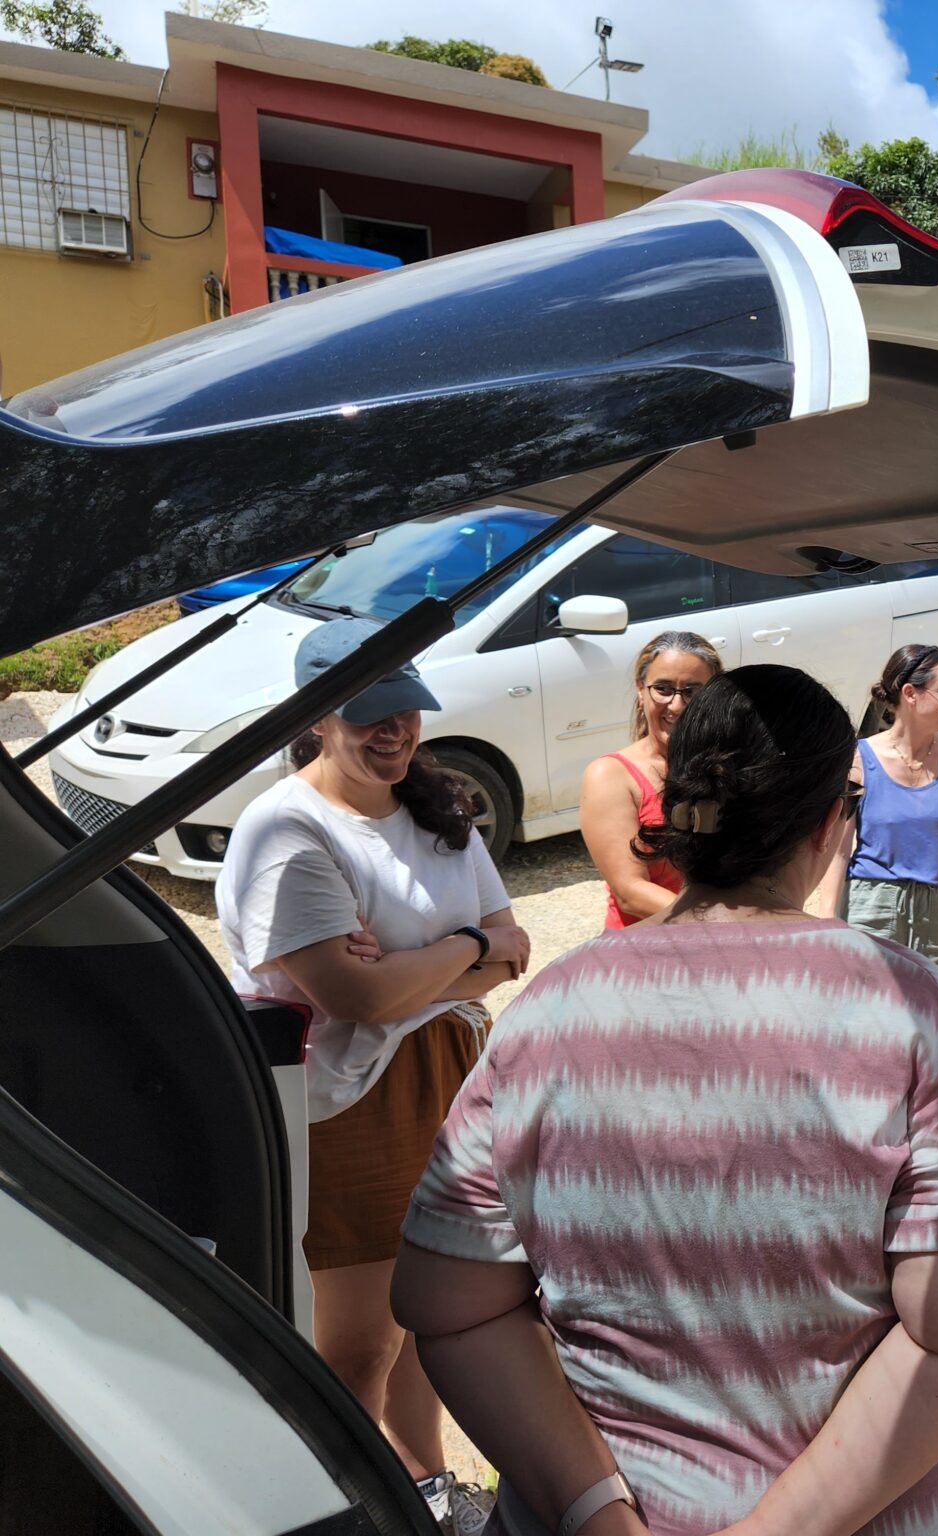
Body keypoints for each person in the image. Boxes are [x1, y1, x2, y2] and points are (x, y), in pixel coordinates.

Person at [393, 663, 938, 1536]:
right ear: (830, 823)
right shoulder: (901, 1007)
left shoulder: (549, 1009)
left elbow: (446, 1301)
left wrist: (596, 1513)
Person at [217, 618, 529, 1535]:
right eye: (369, 715)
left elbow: (517, 945)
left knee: (431, 1308)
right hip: (350, 1103)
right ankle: (346, 1509)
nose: (393, 731)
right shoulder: (287, 829)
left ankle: (424, 1485)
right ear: (317, 717)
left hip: (450, 1078)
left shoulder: (437, 810)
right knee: (359, 1342)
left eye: (407, 712)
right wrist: (464, 948)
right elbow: (355, 999)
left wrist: (422, 967)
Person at [818, 643, 938, 986]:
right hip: (870, 907)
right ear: (911, 693)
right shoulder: (857, 759)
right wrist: (826, 923)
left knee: (933, 1021)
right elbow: (838, 849)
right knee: (868, 1019)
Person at [579, 630, 723, 928]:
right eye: (663, 688)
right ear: (640, 690)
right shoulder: (611, 775)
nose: (677, 705)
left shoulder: (729, 765)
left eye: (692, 691)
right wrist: (721, 923)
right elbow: (630, 892)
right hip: (645, 953)